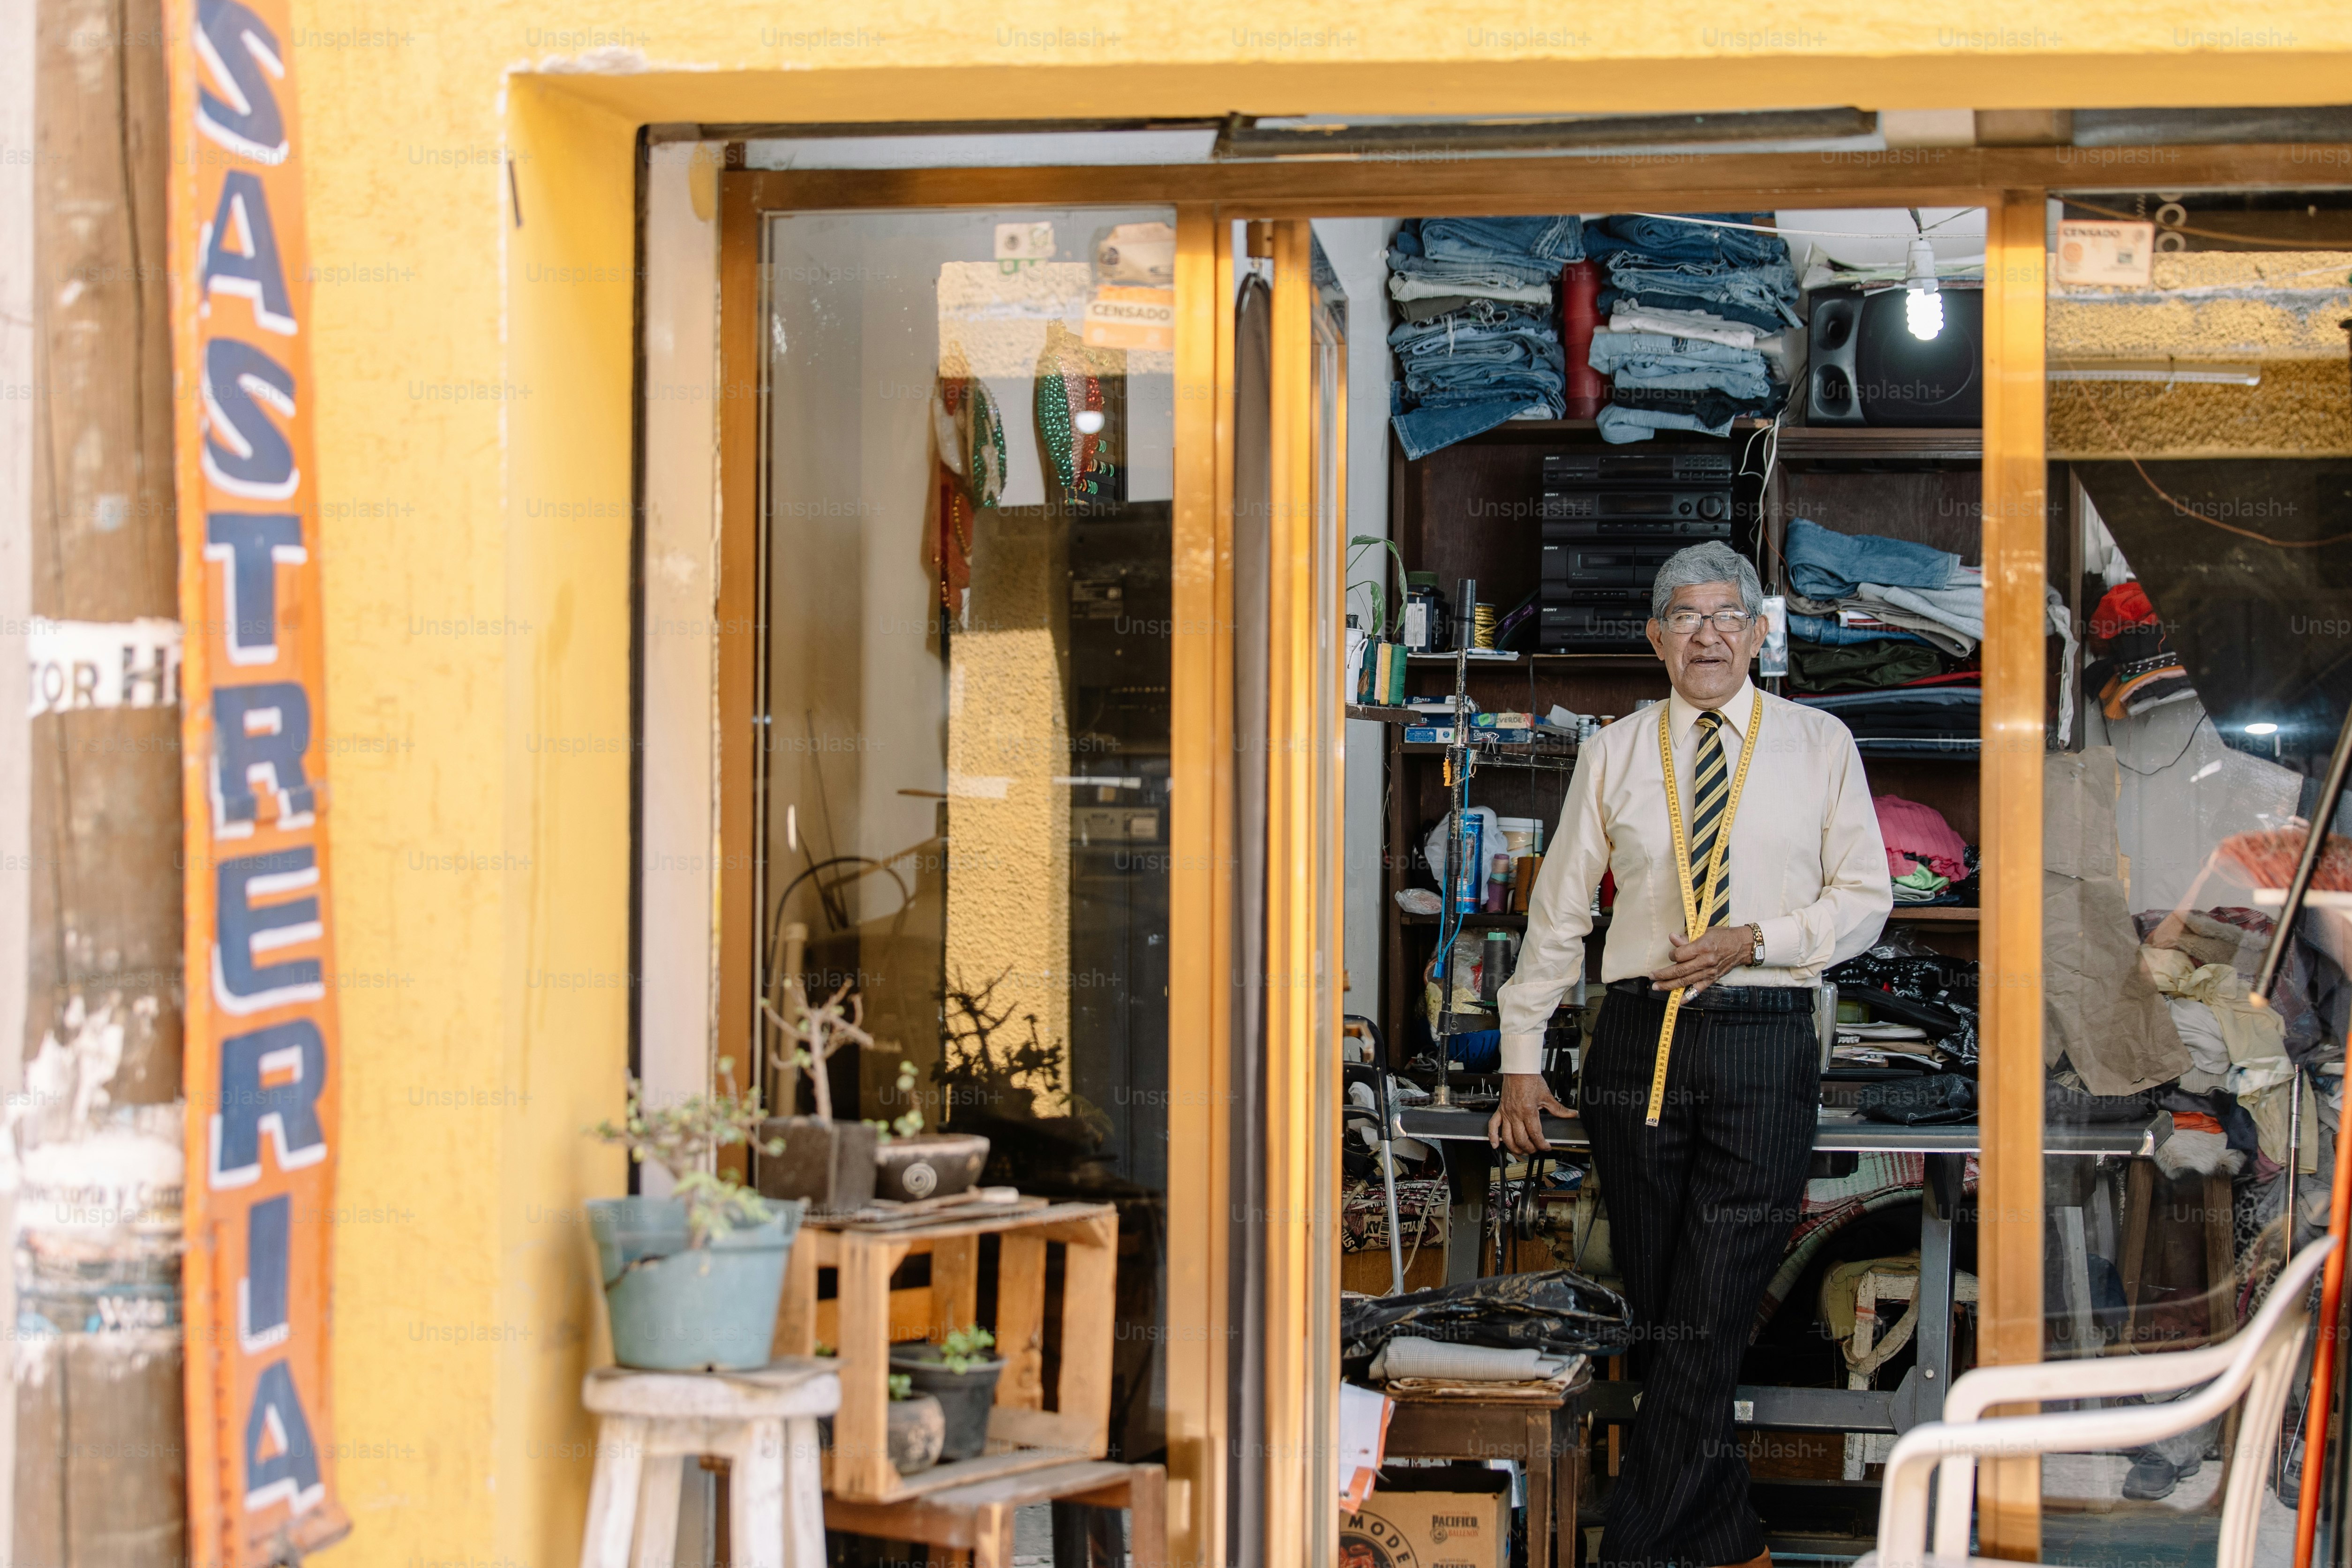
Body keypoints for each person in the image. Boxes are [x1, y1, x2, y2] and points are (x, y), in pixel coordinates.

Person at [1491, 540, 1891, 1568]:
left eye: (1726, 616)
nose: (1706, 634)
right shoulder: (1615, 750)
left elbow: (1865, 897)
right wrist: (1521, 1054)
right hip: (1637, 1039)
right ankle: (1727, 1541)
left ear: (1758, 635)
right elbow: (1559, 912)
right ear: (1655, 638)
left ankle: (1628, 1551)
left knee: (1710, 1309)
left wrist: (1756, 938)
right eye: (1684, 615)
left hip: (1762, 1034)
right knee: (1667, 1310)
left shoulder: (1819, 743)